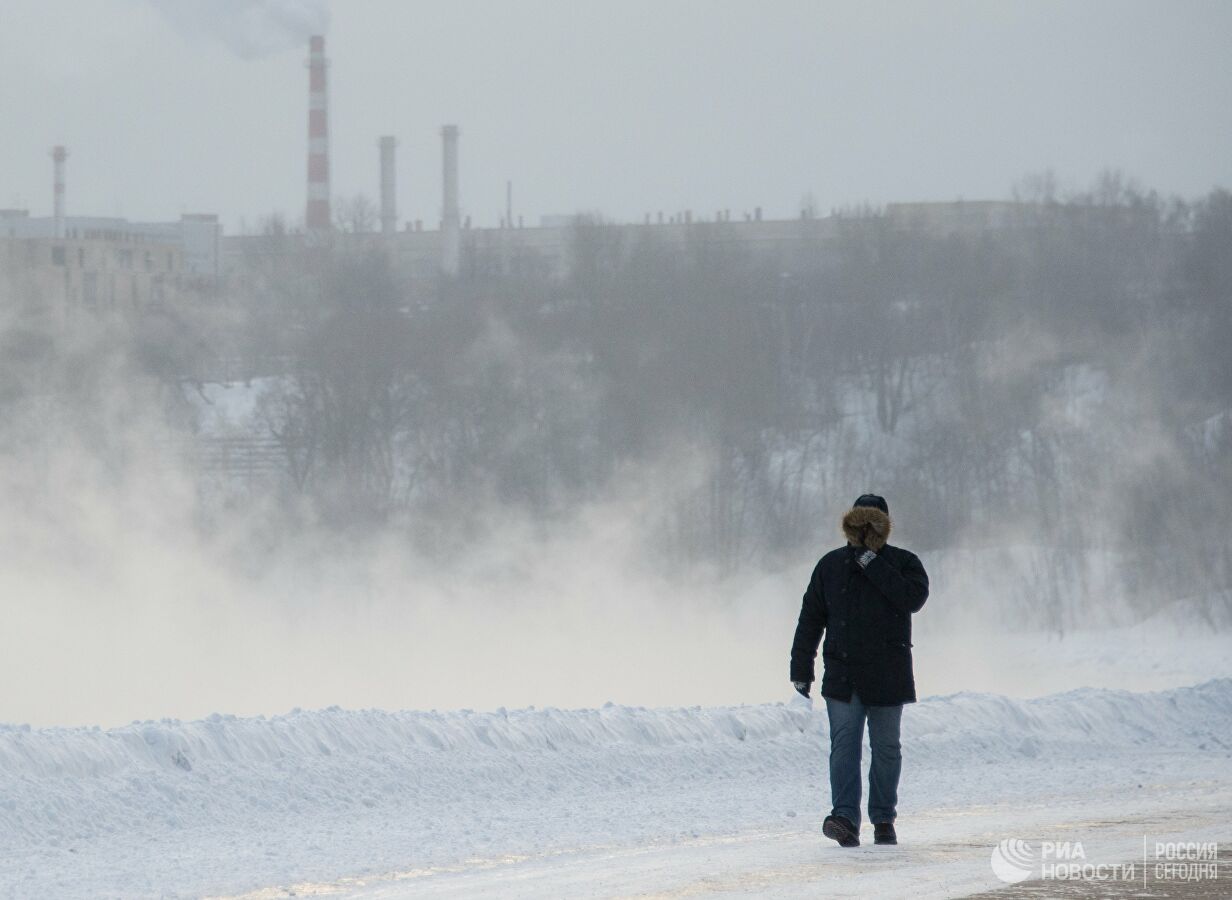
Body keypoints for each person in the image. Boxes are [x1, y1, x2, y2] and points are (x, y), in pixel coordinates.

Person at [790, 493, 929, 848]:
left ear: (884, 526)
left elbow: (912, 599)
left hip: (887, 675)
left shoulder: (904, 563)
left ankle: (883, 819)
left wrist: (873, 562)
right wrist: (801, 668)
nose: (866, 531)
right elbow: (811, 618)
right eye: (860, 524)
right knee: (844, 747)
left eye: (874, 524)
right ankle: (845, 818)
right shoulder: (830, 565)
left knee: (886, 749)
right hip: (844, 674)